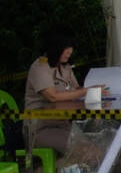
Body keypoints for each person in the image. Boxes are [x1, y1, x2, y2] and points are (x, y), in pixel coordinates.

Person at [24, 25, 93, 155]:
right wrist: (85, 91)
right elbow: (52, 96)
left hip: (63, 125)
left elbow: (76, 90)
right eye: (65, 47)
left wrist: (96, 92)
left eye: (71, 47)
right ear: (54, 46)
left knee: (96, 147)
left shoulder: (65, 67)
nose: (69, 51)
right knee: (85, 150)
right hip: (41, 128)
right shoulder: (40, 67)